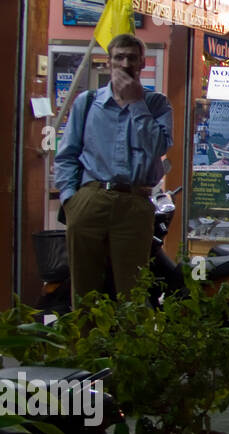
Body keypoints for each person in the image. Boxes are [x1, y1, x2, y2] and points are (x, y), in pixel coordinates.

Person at [54, 33, 173, 304]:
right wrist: (70, 199)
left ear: (142, 63)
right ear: (109, 62)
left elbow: (159, 146)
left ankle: (129, 347)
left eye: (132, 57)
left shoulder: (156, 104)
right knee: (85, 292)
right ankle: (85, 346)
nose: (125, 63)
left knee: (133, 293)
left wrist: (135, 103)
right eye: (118, 57)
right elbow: (66, 154)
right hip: (89, 199)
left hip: (134, 202)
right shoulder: (88, 102)